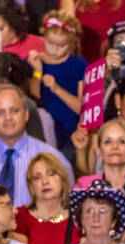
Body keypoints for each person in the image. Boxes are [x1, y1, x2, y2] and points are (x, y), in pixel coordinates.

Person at [0, 84, 71, 209]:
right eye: (0, 112)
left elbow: (67, 208)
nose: (8, 118)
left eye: (14, 111)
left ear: (26, 114)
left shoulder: (55, 159)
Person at [27, 13, 87, 150]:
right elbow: (32, 104)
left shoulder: (79, 65)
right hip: (41, 135)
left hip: (71, 136)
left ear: (71, 43)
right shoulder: (33, 61)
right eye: (50, 43)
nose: (54, 49)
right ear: (43, 37)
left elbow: (83, 109)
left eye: (61, 45)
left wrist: (57, 89)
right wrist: (37, 72)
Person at [74, 119, 125, 216]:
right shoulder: (84, 186)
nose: (115, 146)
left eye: (122, 141)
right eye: (107, 142)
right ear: (99, 151)